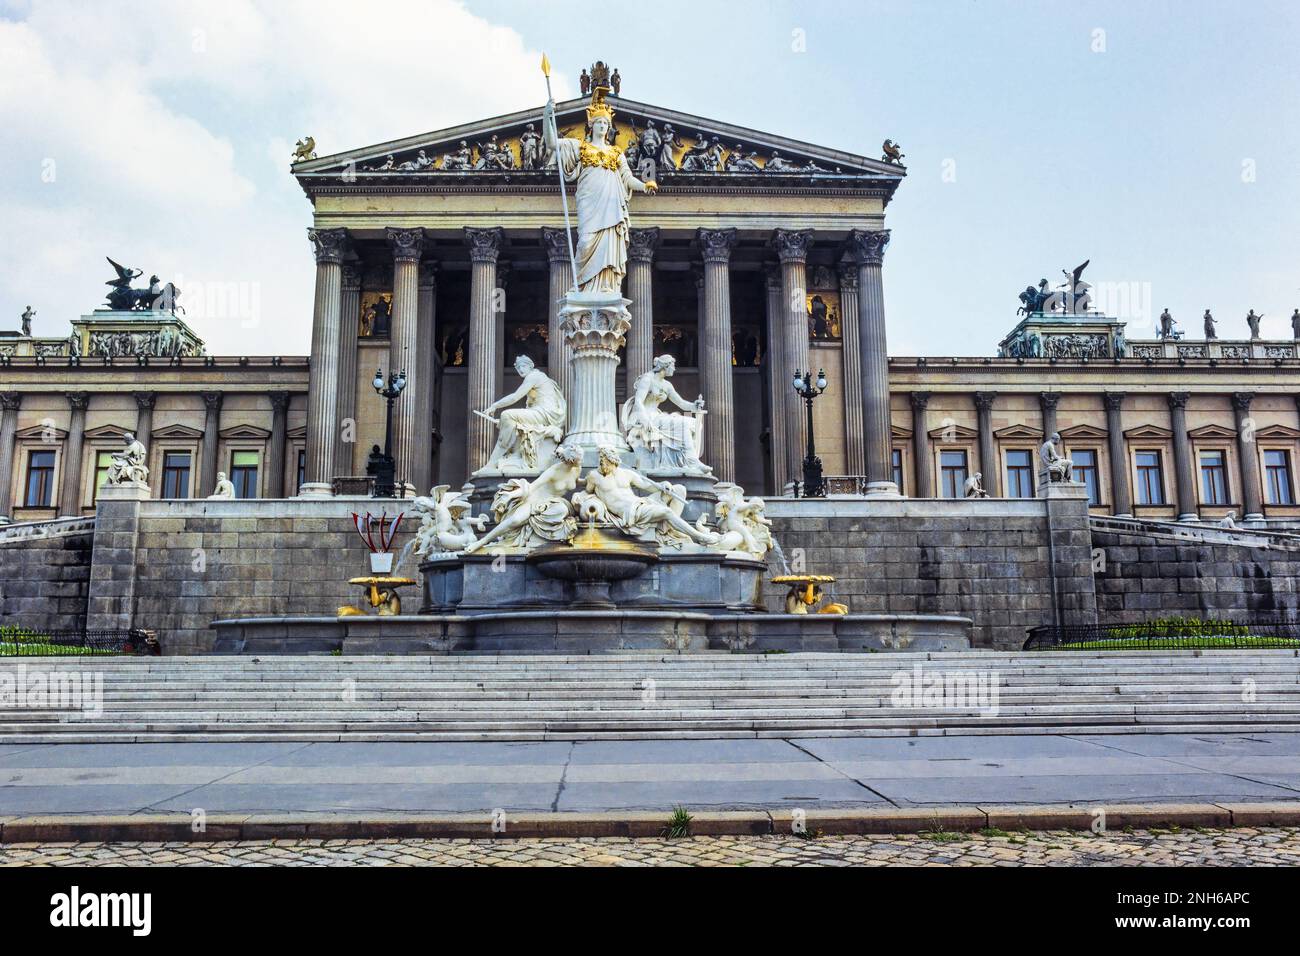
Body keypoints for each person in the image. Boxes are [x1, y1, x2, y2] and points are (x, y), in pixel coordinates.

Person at [542, 88, 656, 294]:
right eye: (599, 122)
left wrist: (645, 185)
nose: (603, 126)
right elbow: (551, 143)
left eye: (606, 123)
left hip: (611, 205)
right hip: (589, 202)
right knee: (585, 242)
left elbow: (627, 178)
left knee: (609, 246)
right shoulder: (580, 147)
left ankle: (606, 287)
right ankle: (584, 288)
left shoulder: (616, 153)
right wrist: (547, 115)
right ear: (591, 125)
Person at [475, 355, 566, 473]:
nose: (521, 370)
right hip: (542, 413)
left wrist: (495, 406)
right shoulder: (539, 377)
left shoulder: (534, 376)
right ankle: (495, 462)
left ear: (531, 366)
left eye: (523, 366)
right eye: (518, 368)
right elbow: (529, 408)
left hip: (544, 413)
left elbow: (515, 397)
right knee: (508, 420)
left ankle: (495, 460)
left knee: (506, 415)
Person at [621, 354, 710, 474]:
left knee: (693, 423)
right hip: (644, 417)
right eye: (672, 365)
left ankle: (690, 459)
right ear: (665, 366)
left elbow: (682, 403)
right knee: (682, 424)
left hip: (657, 416)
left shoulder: (667, 385)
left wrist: (695, 405)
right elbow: (638, 402)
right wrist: (645, 419)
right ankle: (692, 461)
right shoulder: (647, 379)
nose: (674, 368)